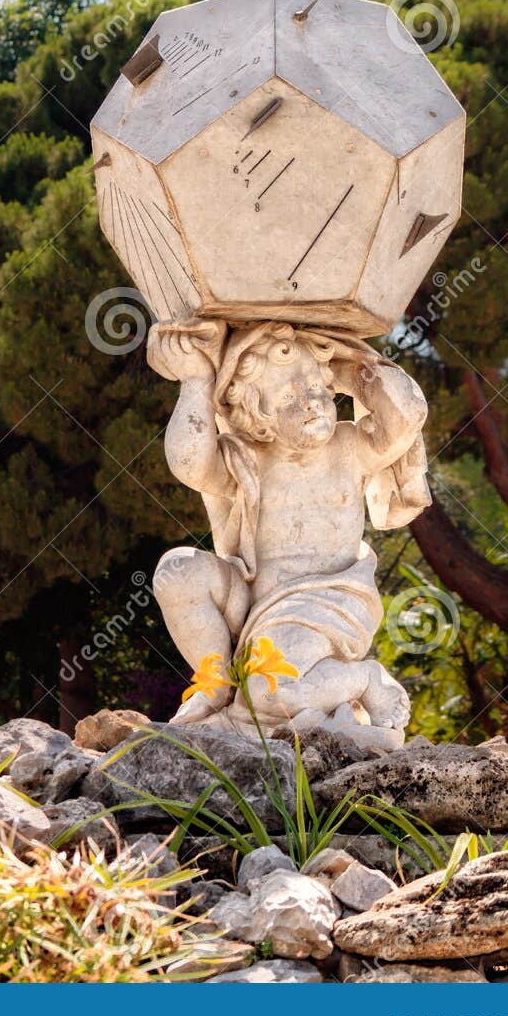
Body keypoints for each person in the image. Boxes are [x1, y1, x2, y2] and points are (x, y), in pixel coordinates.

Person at [146, 317, 430, 750]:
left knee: (270, 691)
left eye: (317, 390)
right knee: (177, 571)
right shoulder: (247, 458)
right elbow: (189, 462)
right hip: (256, 597)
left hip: (329, 601)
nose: (313, 403)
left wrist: (352, 368)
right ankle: (216, 681)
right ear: (258, 415)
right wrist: (196, 380)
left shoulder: (350, 445)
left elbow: (407, 415)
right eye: (291, 397)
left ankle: (364, 678)